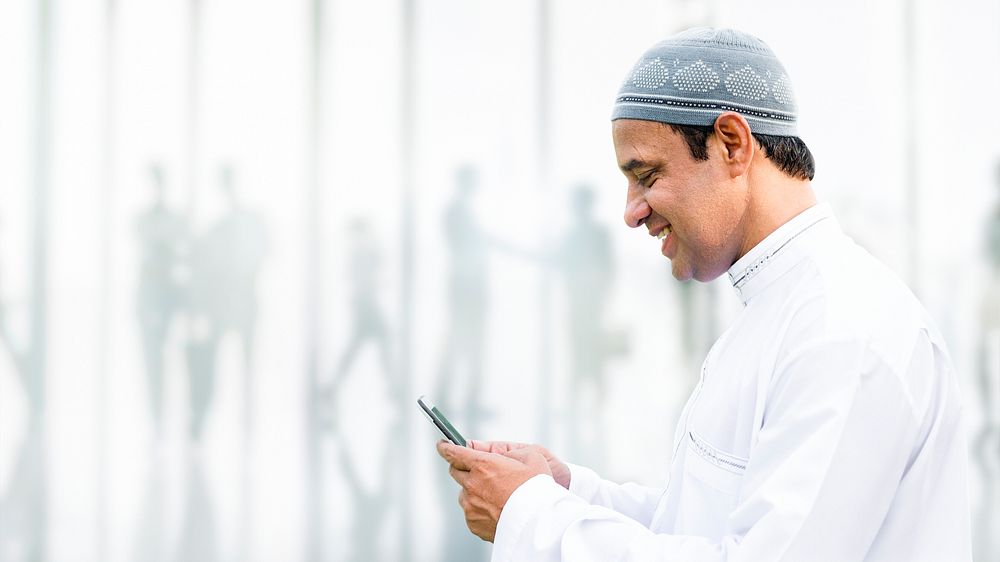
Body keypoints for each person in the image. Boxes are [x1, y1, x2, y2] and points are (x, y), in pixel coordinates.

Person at [436, 27, 971, 561]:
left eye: (647, 174)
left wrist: (533, 519)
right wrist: (564, 490)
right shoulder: (785, 308)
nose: (631, 211)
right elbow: (701, 528)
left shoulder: (844, 329)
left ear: (732, 144)